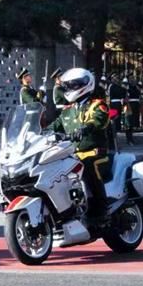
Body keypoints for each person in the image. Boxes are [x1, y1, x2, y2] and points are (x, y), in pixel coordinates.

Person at [50, 68, 112, 218]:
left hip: (95, 153)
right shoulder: (67, 111)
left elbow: (98, 120)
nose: (70, 89)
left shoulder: (97, 105)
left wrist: (85, 128)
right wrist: (35, 133)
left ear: (84, 85)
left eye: (73, 85)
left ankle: (102, 209)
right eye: (68, 86)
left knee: (89, 166)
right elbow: (53, 126)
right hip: (71, 155)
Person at [122, 76, 141, 145]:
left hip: (135, 106)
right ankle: (128, 139)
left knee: (132, 124)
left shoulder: (137, 87)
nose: (133, 80)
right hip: (129, 106)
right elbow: (125, 98)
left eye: (134, 79)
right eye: (131, 79)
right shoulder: (127, 88)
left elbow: (139, 96)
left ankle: (131, 138)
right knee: (128, 123)